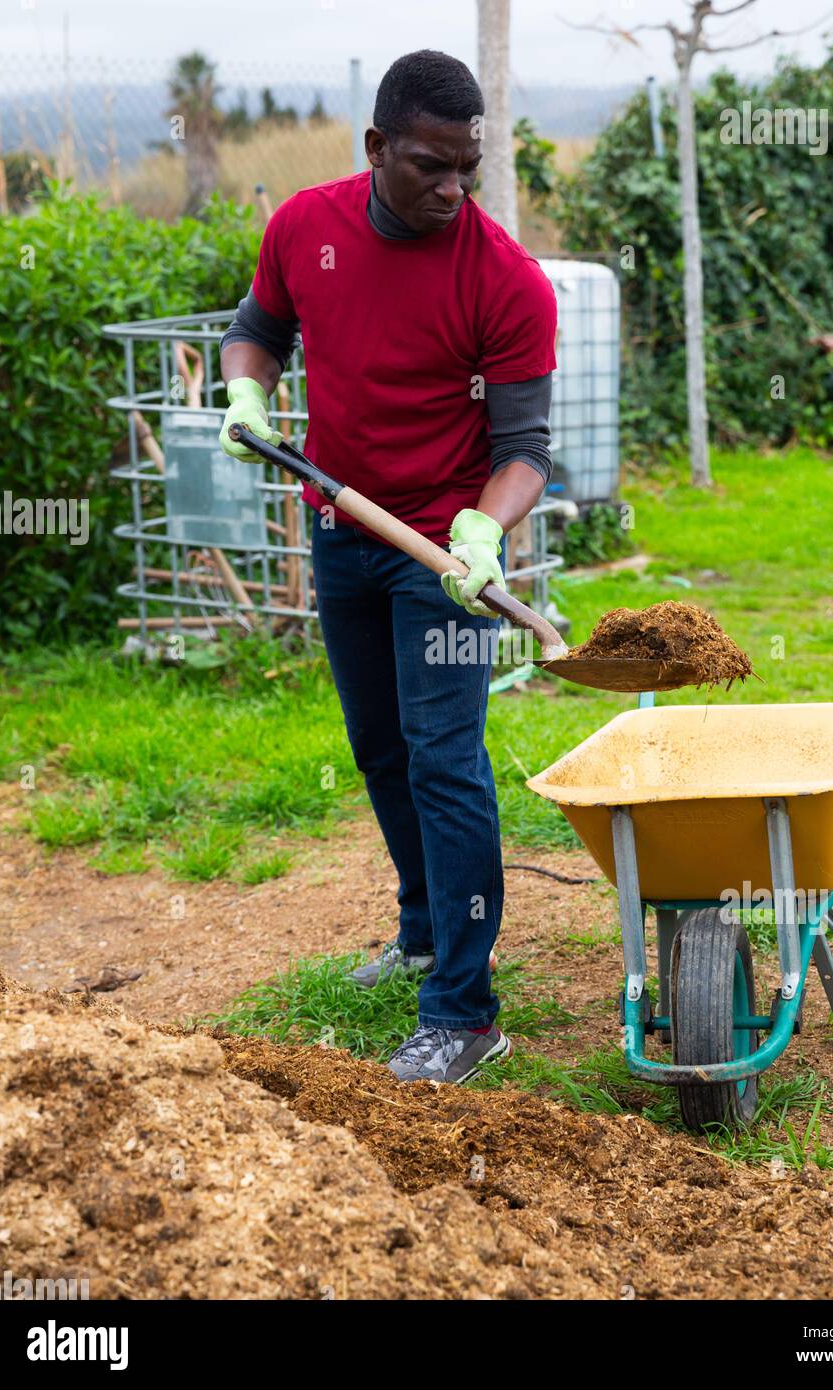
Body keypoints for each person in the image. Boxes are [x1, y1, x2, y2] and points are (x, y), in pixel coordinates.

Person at [219, 49, 557, 1084]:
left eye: (467, 167)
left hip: (440, 553)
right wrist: (247, 395)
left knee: (444, 757)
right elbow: (255, 331)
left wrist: (483, 530)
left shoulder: (504, 279)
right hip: (342, 528)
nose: (452, 189)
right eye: (428, 166)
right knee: (378, 747)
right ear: (375, 149)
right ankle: (420, 928)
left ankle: (461, 1007)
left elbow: (523, 450)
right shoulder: (303, 229)